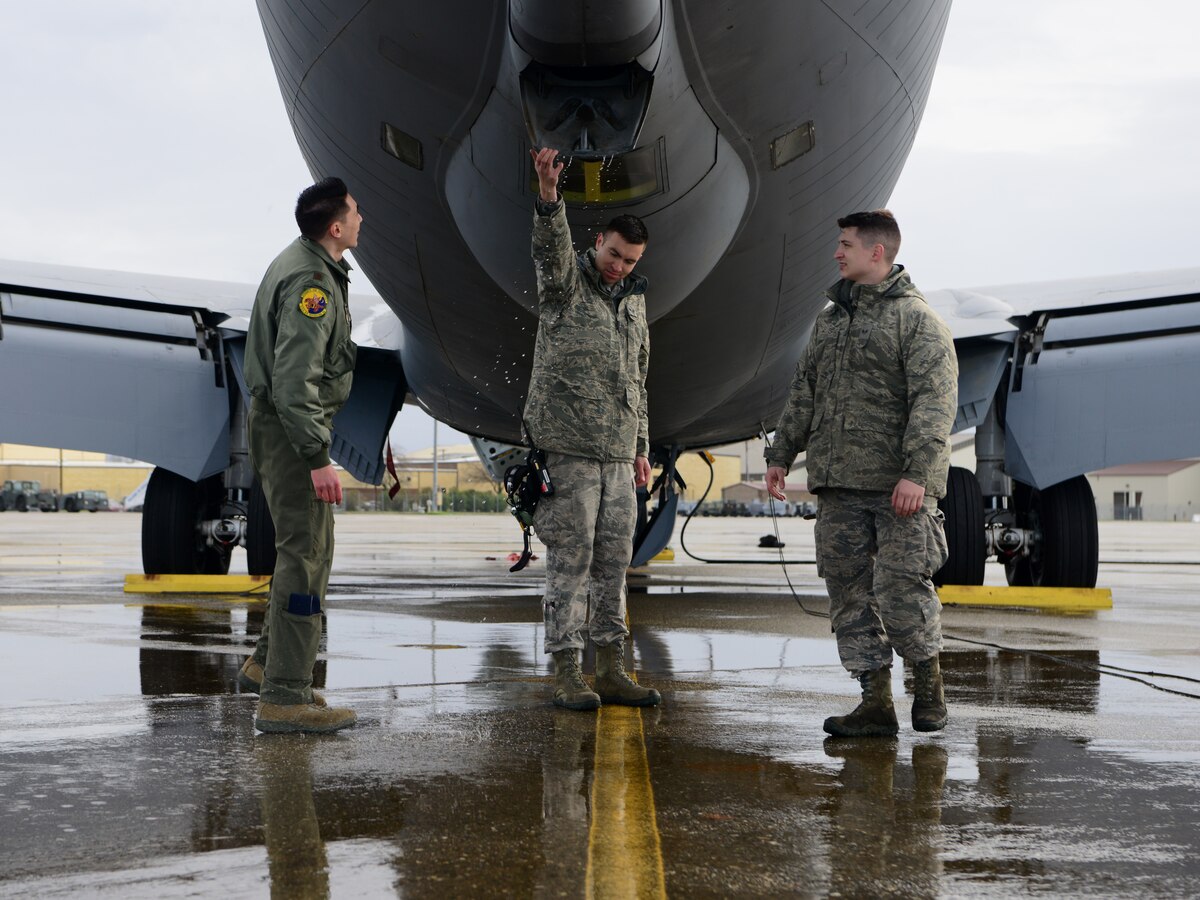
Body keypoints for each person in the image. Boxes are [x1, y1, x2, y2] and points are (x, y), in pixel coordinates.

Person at [765, 209, 957, 737]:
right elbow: (804, 391)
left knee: (901, 590)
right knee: (848, 595)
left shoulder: (916, 320)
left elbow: (935, 404)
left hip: (899, 488)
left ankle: (929, 689)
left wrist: (917, 473)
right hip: (839, 486)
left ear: (877, 252)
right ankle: (874, 703)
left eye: (846, 244)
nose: (837, 252)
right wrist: (781, 455)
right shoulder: (831, 321)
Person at [526, 147, 661, 711]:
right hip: (570, 448)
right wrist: (549, 196)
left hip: (618, 455)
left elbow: (638, 378)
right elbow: (549, 248)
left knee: (613, 563)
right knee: (571, 560)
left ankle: (610, 668)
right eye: (613, 254)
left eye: (630, 260)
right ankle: (565, 670)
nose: (619, 266)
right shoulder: (566, 284)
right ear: (598, 243)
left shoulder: (633, 303)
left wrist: (641, 447)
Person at [237, 176, 363, 733]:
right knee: (304, 556)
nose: (361, 219)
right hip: (292, 433)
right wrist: (316, 457)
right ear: (335, 227)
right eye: (355, 212)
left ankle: (268, 665)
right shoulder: (312, 284)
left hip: (284, 426)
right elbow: (293, 382)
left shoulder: (305, 264)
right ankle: (284, 697)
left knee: (309, 549)